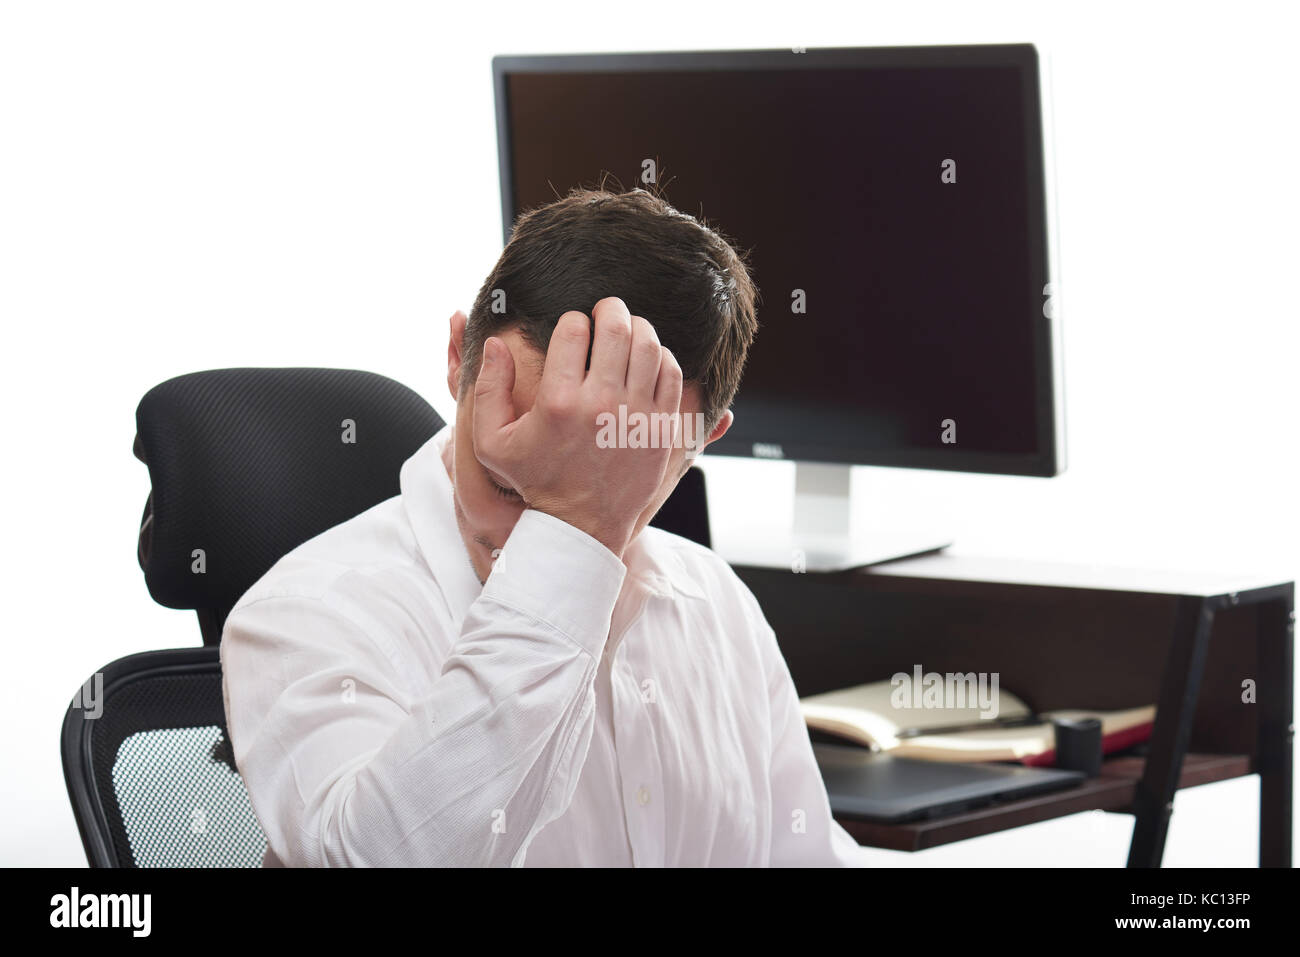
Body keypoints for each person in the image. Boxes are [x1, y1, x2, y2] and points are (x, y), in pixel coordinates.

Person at [220, 187, 866, 866]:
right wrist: (576, 530)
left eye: (608, 474)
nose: (529, 530)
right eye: (506, 477)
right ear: (457, 356)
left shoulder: (718, 605)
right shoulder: (305, 614)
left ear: (697, 448)